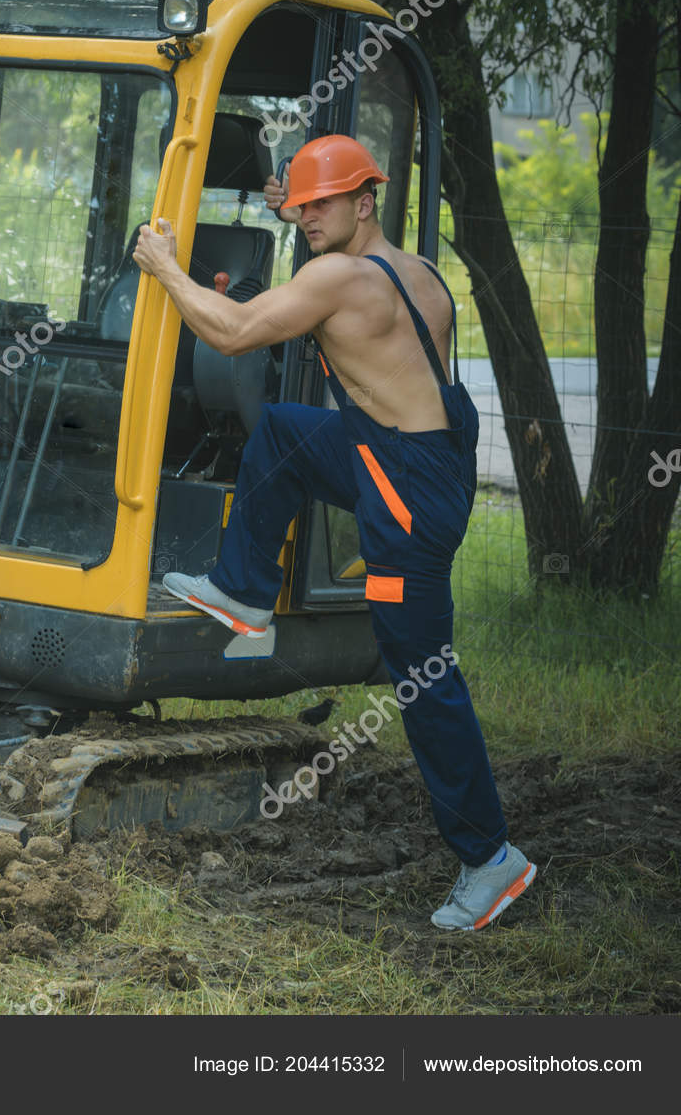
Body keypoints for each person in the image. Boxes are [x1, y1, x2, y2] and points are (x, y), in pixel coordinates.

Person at [131, 133, 535, 932]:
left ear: (365, 201)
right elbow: (371, 354)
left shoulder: (338, 279)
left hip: (405, 502)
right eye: (300, 205)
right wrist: (298, 200)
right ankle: (243, 591)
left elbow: (235, 332)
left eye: (324, 204)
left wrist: (167, 270)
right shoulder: (415, 272)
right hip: (423, 463)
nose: (308, 217)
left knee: (423, 681)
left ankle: (490, 859)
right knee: (282, 432)